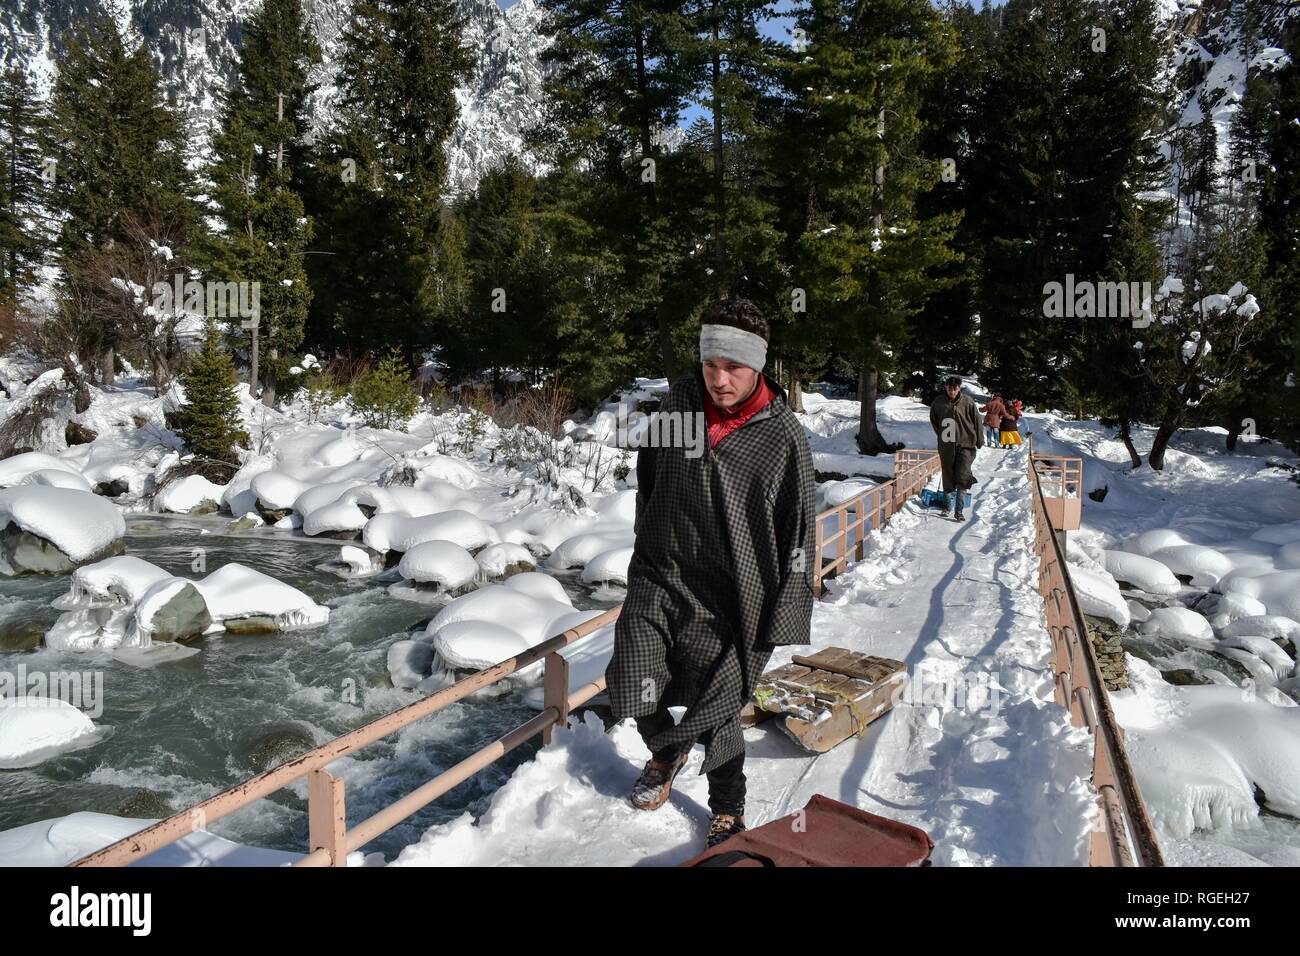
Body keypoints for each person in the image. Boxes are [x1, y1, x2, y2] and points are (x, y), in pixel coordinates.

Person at [605, 298, 816, 850]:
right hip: (661, 574)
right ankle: (666, 751)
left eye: (733, 368)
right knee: (631, 676)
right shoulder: (678, 404)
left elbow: (798, 530)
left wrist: (784, 610)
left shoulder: (782, 436)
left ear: (758, 366)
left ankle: (726, 807)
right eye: (710, 365)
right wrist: (646, 541)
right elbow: (649, 476)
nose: (719, 380)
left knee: (718, 700)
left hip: (733, 592)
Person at [928, 375, 982, 520]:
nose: (952, 391)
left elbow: (977, 421)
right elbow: (934, 421)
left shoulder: (968, 402)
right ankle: (947, 507)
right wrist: (942, 435)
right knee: (948, 476)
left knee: (963, 476)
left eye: (955, 388)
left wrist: (979, 440)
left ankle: (959, 511)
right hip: (946, 446)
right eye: (949, 388)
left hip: (966, 445)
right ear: (945, 388)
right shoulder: (938, 402)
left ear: (959, 388)